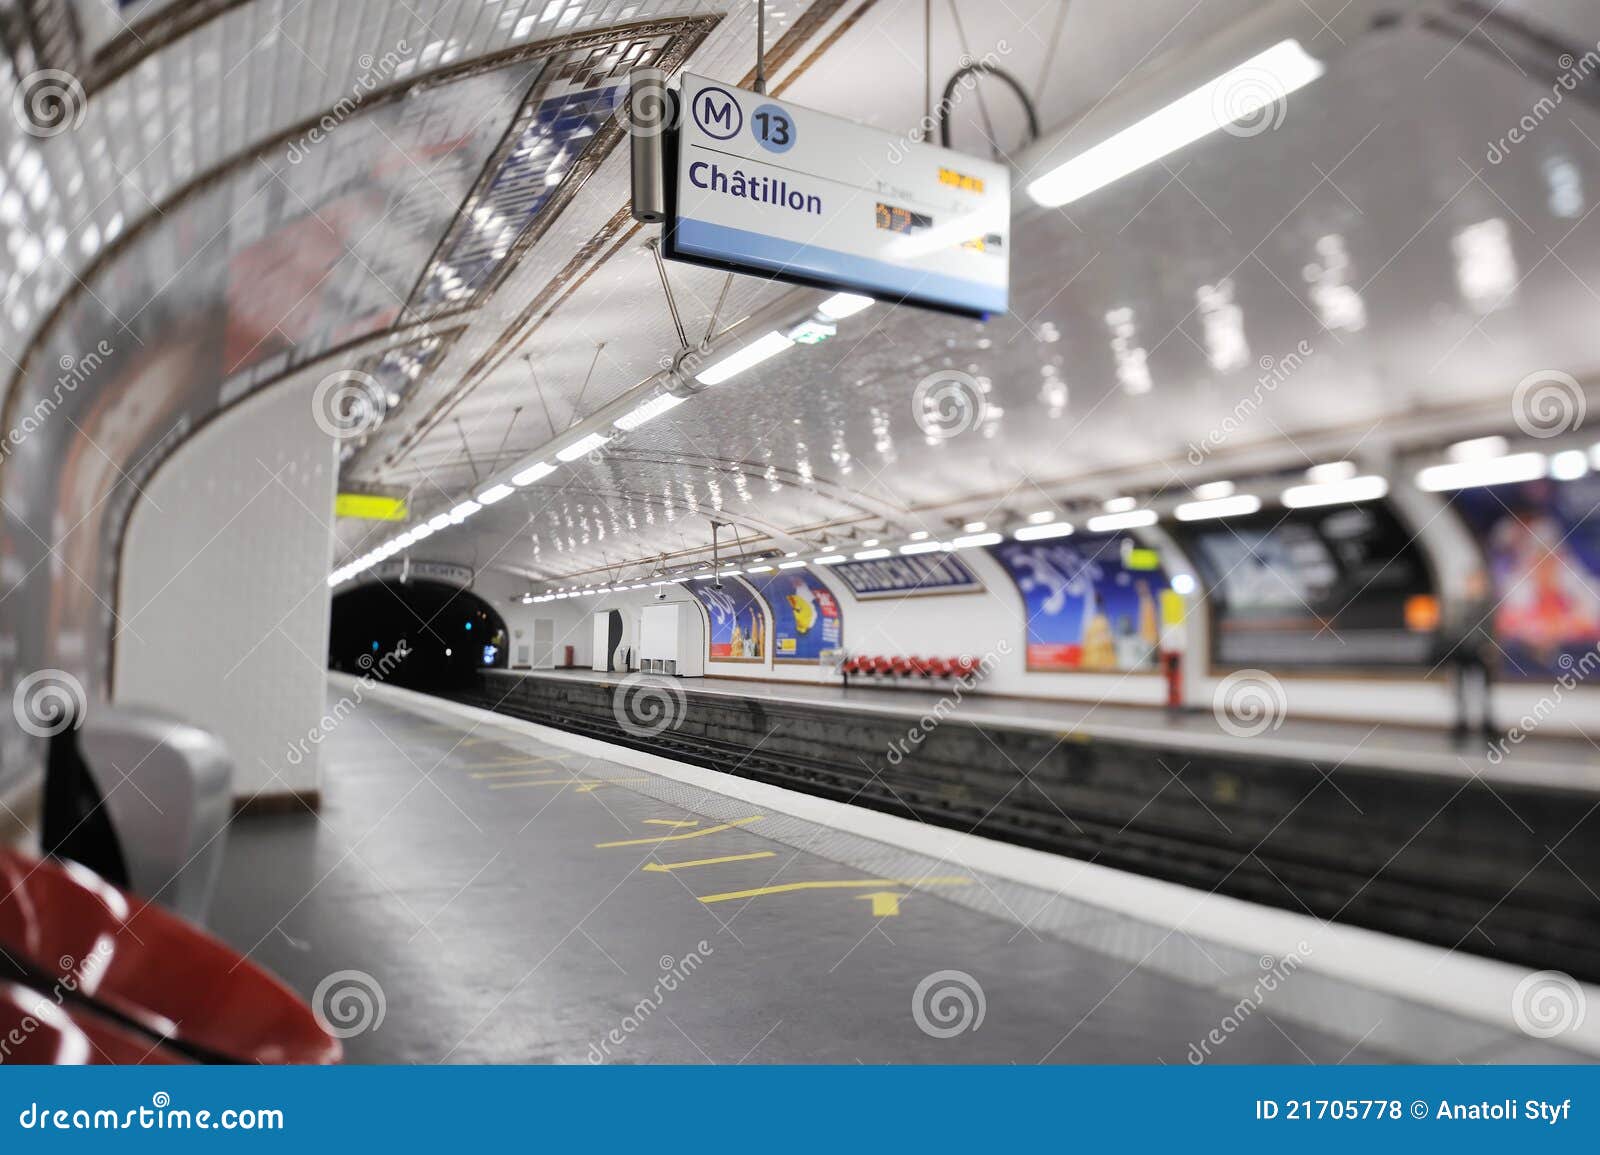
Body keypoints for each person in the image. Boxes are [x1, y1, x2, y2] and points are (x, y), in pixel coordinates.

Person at [1436, 571, 1499, 744]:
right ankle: (1461, 723)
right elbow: (1453, 631)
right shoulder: (1459, 606)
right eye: (1472, 582)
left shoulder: (1488, 606)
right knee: (1460, 690)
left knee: (1484, 691)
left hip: (1481, 653)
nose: (1475, 587)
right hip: (1462, 653)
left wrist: (1490, 648)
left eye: (1478, 583)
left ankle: (1487, 724)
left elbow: (1492, 631)